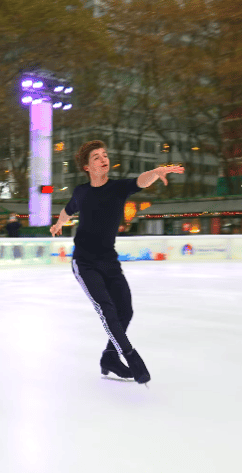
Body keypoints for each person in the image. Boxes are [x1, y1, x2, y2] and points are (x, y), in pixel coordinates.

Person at [50, 140, 183, 385]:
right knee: (107, 309)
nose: (103, 159)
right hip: (85, 263)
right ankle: (131, 357)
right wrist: (59, 223)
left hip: (109, 261)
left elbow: (139, 181)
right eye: (97, 157)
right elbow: (68, 210)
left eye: (105, 155)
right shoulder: (81, 192)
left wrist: (155, 172)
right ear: (87, 167)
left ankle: (110, 356)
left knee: (125, 310)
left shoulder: (118, 188)